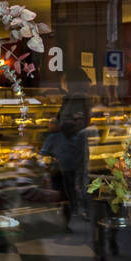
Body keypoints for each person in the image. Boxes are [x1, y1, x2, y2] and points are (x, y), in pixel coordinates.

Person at [39, 66, 92, 227]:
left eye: (64, 79)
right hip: (74, 148)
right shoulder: (78, 97)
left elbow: (75, 123)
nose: (62, 82)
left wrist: (57, 125)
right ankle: (71, 217)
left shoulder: (77, 98)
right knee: (71, 183)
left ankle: (72, 219)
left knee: (70, 184)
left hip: (71, 148)